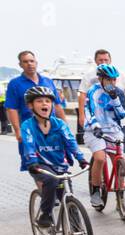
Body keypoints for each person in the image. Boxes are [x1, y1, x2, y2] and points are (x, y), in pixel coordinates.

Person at [20, 87, 87, 227]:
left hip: (60, 165)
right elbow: (29, 144)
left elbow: (70, 142)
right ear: (30, 105)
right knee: (50, 180)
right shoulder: (27, 125)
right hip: (39, 165)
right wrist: (32, 161)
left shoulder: (59, 124)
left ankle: (77, 234)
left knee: (68, 195)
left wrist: (80, 158)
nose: (45, 104)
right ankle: (46, 214)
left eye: (48, 101)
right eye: (39, 101)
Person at [83, 64, 125, 210]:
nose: (112, 83)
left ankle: (120, 195)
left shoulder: (119, 93)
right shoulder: (93, 91)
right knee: (99, 158)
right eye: (108, 80)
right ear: (100, 79)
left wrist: (115, 99)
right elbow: (89, 111)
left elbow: (122, 115)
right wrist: (95, 126)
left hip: (113, 130)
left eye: (114, 80)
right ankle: (96, 191)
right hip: (94, 130)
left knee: (120, 162)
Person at [6, 51, 67, 133]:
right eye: (25, 61)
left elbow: (57, 105)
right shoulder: (14, 84)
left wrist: (65, 127)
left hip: (52, 129)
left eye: (31, 61)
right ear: (20, 65)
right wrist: (17, 131)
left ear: (36, 63)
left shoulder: (48, 81)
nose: (29, 64)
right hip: (29, 129)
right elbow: (12, 109)